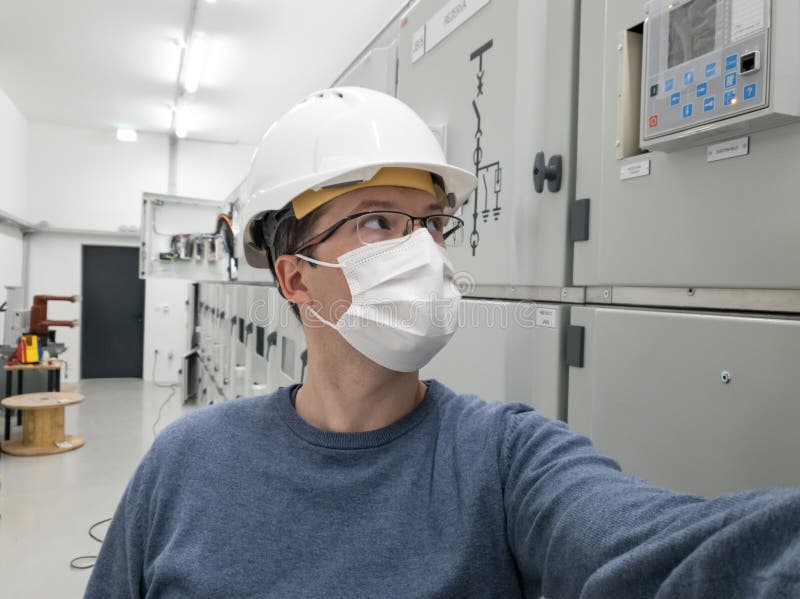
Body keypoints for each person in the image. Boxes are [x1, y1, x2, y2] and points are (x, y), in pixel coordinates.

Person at [85, 87, 800, 598]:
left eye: (430, 222)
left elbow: (669, 550)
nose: (423, 250)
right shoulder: (187, 459)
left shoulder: (503, 457)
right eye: (377, 222)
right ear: (296, 278)